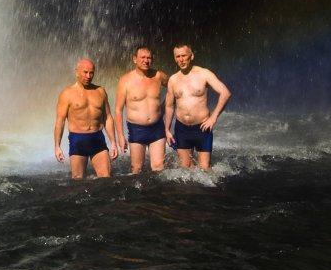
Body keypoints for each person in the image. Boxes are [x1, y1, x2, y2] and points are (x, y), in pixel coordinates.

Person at [164, 44, 231, 170]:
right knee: (185, 168)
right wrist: (167, 130)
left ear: (191, 56)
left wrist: (213, 117)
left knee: (205, 168)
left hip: (202, 127)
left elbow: (225, 93)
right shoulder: (173, 79)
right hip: (182, 128)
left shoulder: (204, 74)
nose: (181, 59)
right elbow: (169, 106)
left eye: (184, 55)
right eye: (177, 56)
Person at [54, 57, 119, 178]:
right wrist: (57, 146)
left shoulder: (100, 91)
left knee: (106, 177)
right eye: (85, 72)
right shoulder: (67, 93)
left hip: (97, 138)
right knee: (78, 180)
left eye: (91, 72)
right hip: (78, 140)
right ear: (77, 72)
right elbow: (60, 121)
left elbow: (108, 118)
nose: (88, 76)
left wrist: (113, 143)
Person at [115, 45, 169, 173]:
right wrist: (121, 136)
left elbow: (174, 86)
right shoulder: (125, 80)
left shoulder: (158, 76)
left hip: (157, 127)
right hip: (137, 129)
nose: (146, 60)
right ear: (135, 59)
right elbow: (118, 110)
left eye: (149, 58)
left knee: (159, 167)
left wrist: (165, 106)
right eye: (142, 57)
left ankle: (157, 193)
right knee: (136, 169)